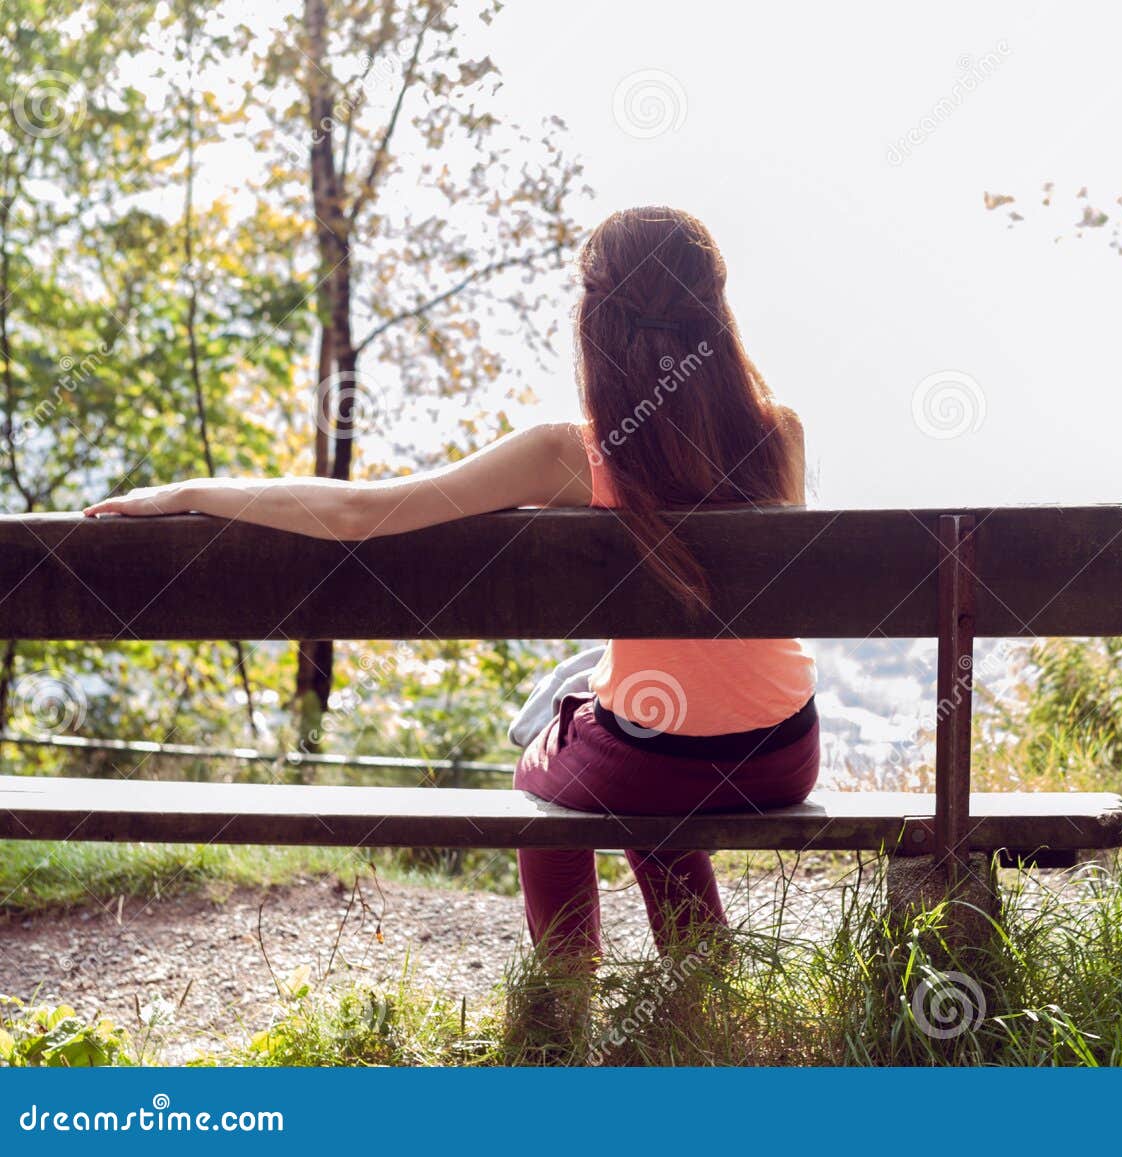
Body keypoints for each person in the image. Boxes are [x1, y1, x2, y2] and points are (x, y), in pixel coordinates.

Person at [84, 206, 819, 967]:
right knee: (642, 743)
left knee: (555, 767)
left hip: (659, 762)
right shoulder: (782, 433)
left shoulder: (569, 454)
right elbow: (739, 622)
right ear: (717, 314)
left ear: (597, 320)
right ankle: (701, 964)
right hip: (784, 750)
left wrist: (195, 490)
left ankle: (564, 986)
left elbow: (357, 511)